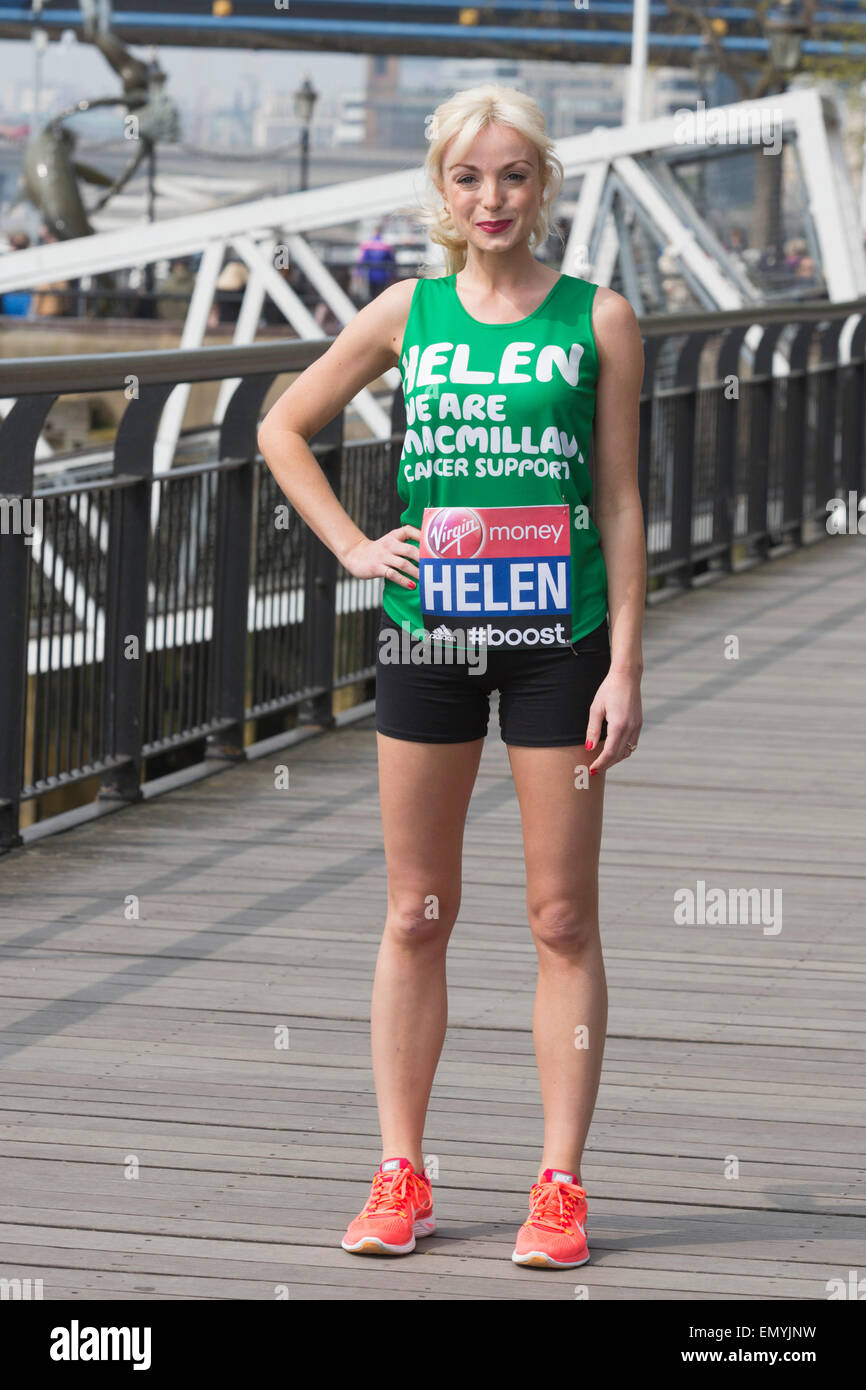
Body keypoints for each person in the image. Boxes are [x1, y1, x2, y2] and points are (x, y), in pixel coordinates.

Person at [257, 83, 645, 1271]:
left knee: (559, 915)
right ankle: (400, 1173)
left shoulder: (599, 318)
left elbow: (620, 497)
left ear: (543, 185)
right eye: (468, 177)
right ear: (441, 187)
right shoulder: (405, 312)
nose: (490, 198)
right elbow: (284, 426)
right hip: (428, 632)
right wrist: (354, 546)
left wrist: (625, 661)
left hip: (557, 639)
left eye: (513, 176)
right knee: (415, 912)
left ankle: (559, 1184)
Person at [354, 223, 396, 302]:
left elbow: (362, 261)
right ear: (381, 232)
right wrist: (393, 275)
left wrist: (358, 274)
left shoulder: (367, 245)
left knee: (372, 298)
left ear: (374, 231)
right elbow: (392, 262)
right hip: (383, 276)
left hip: (371, 275)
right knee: (381, 297)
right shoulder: (386, 245)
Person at [0, 230, 33, 317]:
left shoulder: (5, 260)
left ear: (12, 246)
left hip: (10, 299)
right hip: (25, 299)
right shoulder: (32, 260)